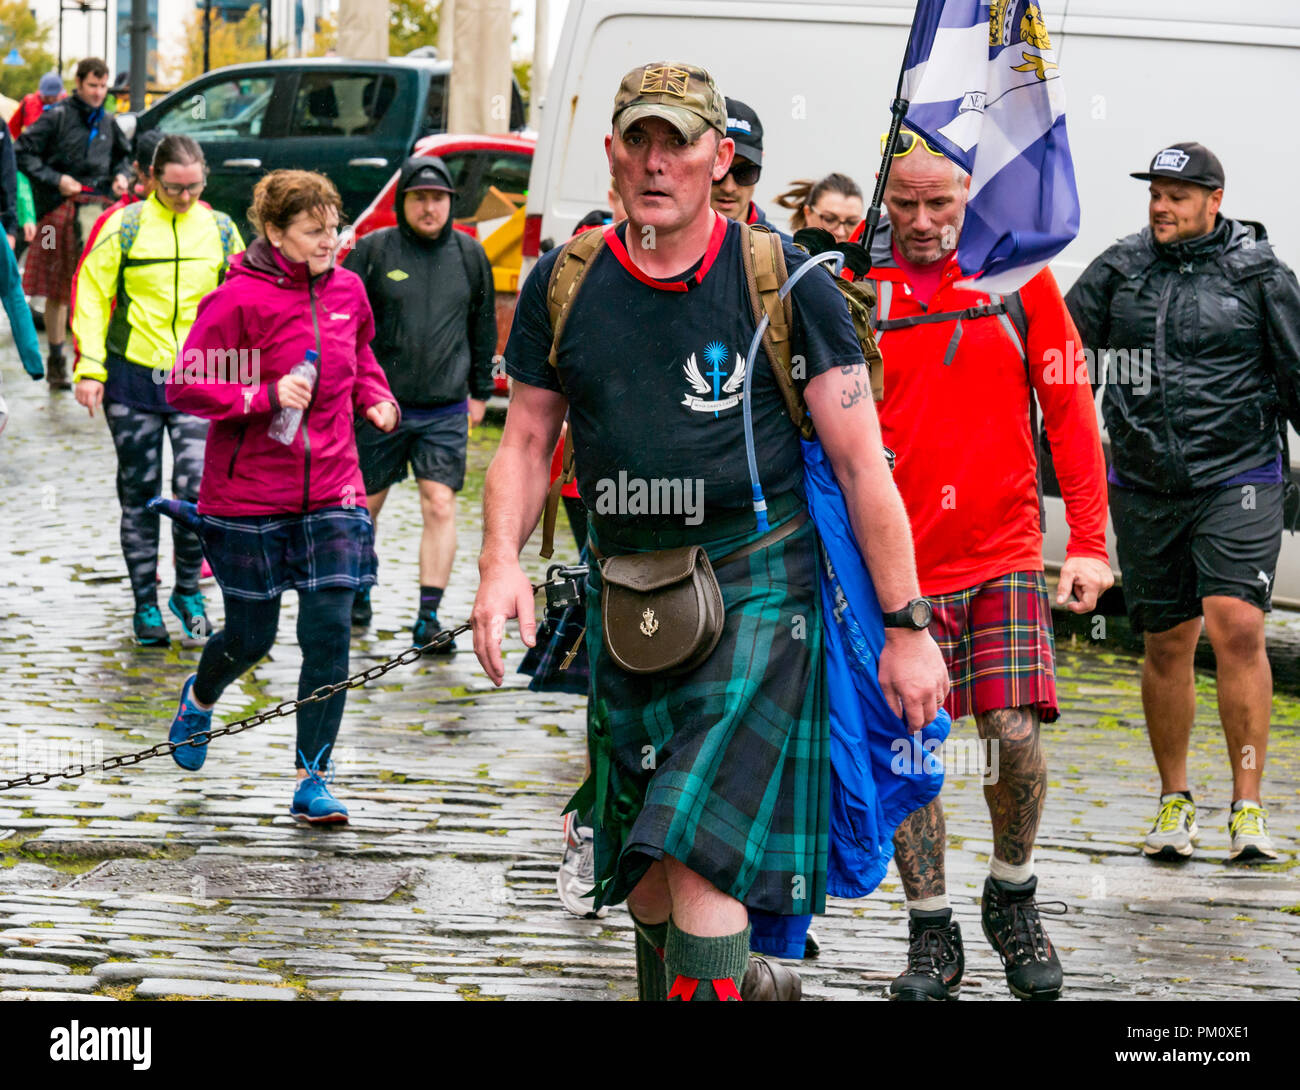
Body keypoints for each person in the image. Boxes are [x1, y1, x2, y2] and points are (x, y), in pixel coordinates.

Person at [474, 61, 948, 1001]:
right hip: (625, 590)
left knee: (695, 850)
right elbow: (526, 439)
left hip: (758, 586)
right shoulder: (563, 283)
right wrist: (498, 568)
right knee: (643, 863)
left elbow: (863, 466)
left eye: (679, 142)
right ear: (610, 152)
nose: (657, 162)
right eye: (638, 140)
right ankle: (734, 985)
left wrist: (906, 627)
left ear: (718, 157)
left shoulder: (784, 283)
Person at [863, 131, 1112, 1001]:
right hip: (893, 566)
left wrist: (1087, 538)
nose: (925, 222)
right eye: (906, 205)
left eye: (941, 203)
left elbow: (1069, 403)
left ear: (970, 193)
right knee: (907, 753)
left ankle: (1012, 895)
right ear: (883, 198)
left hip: (1001, 551)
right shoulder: (856, 287)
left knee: (1011, 738)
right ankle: (931, 931)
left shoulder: (1018, 279)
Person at [1066, 142, 1300, 864]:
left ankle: (1249, 806)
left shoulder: (1261, 275)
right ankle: (1175, 800)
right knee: (1168, 642)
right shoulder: (1120, 270)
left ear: (1214, 200)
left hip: (1240, 477)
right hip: (1144, 482)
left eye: (1177, 194)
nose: (1161, 206)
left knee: (1236, 625)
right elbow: (1063, 365)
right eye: (1155, 193)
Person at [165, 169, 398, 824]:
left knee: (329, 631)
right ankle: (202, 696)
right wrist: (261, 396)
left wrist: (374, 395)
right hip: (249, 494)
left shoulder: (348, 290)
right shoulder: (239, 301)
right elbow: (184, 386)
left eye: (334, 227)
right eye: (313, 231)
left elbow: (360, 355)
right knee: (252, 635)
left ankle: (312, 778)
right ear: (275, 231)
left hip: (333, 486)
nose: (330, 241)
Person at [71, 134, 242, 646]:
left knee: (195, 489)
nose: (185, 197)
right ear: (149, 178)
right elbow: (92, 291)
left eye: (194, 187)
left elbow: (243, 297)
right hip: (133, 378)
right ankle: (145, 601)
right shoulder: (122, 226)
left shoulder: (220, 228)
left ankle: (187, 590)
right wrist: (91, 369)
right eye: (173, 188)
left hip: (200, 378)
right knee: (141, 493)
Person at [342, 155, 496, 646]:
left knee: (440, 504)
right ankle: (358, 587)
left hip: (444, 406)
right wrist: (350, 391)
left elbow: (483, 323)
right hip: (379, 405)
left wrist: (480, 393)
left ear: (450, 203)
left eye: (438, 199)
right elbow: (345, 324)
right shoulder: (372, 251)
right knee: (364, 505)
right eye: (419, 198)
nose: (429, 208)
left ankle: (428, 618)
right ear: (402, 202)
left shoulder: (470, 255)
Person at [15, 57, 130, 389]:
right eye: (92, 85)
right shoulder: (57, 118)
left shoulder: (109, 122)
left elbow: (123, 157)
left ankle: (100, 358)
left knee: (102, 286)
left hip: (99, 211)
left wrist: (121, 176)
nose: (98, 92)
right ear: (79, 84)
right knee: (57, 288)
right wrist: (56, 178)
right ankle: (56, 361)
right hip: (56, 213)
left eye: (103, 86)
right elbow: (21, 151)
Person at [709, 97, 782, 233]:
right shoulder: (659, 242)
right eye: (717, 170)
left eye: (744, 173)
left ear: (761, 161)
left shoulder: (784, 252)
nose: (729, 188)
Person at [774, 172, 864, 242]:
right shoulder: (781, 255)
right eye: (830, 219)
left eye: (852, 222)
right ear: (808, 213)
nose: (840, 232)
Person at [6, 72, 67, 142]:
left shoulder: (67, 105)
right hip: (33, 148)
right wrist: (23, 143)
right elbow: (13, 126)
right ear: (41, 93)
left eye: (54, 97)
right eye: (47, 97)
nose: (50, 100)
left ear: (60, 94)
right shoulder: (28, 102)